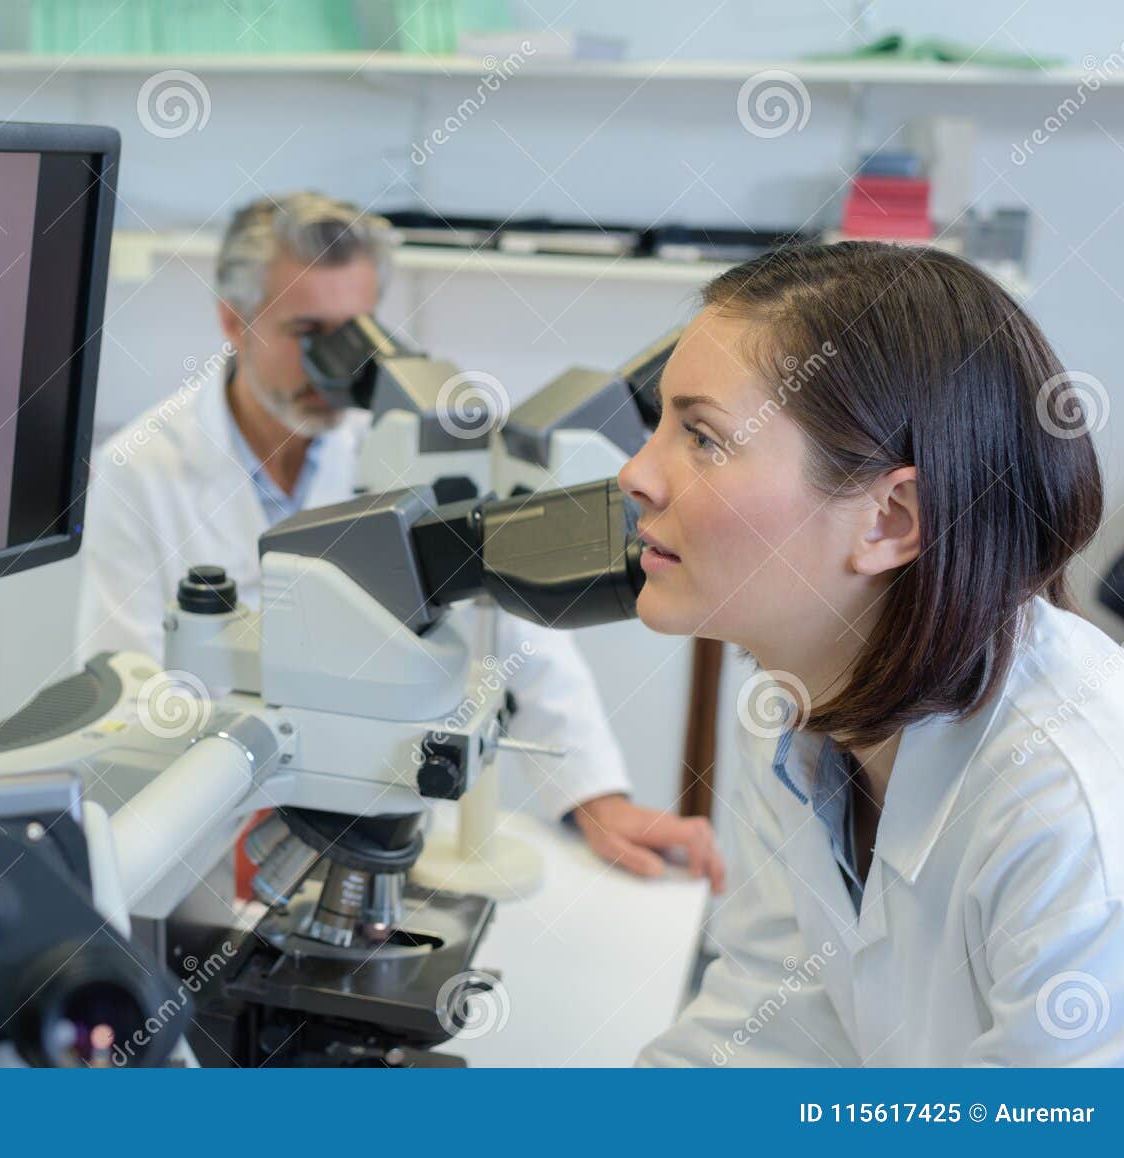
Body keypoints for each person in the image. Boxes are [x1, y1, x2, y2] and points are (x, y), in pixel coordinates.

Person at [75, 192, 724, 889]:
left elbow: (514, 626)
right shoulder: (141, 467)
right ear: (234, 320)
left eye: (355, 333)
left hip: (381, 804)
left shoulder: (398, 445)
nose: (334, 369)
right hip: (210, 820)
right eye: (307, 332)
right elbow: (127, 686)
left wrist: (596, 798)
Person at [631, 240, 1124, 1065]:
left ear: (890, 520)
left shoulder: (1068, 807)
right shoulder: (803, 705)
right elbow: (767, 1034)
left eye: (704, 438)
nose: (637, 474)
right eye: (659, 427)